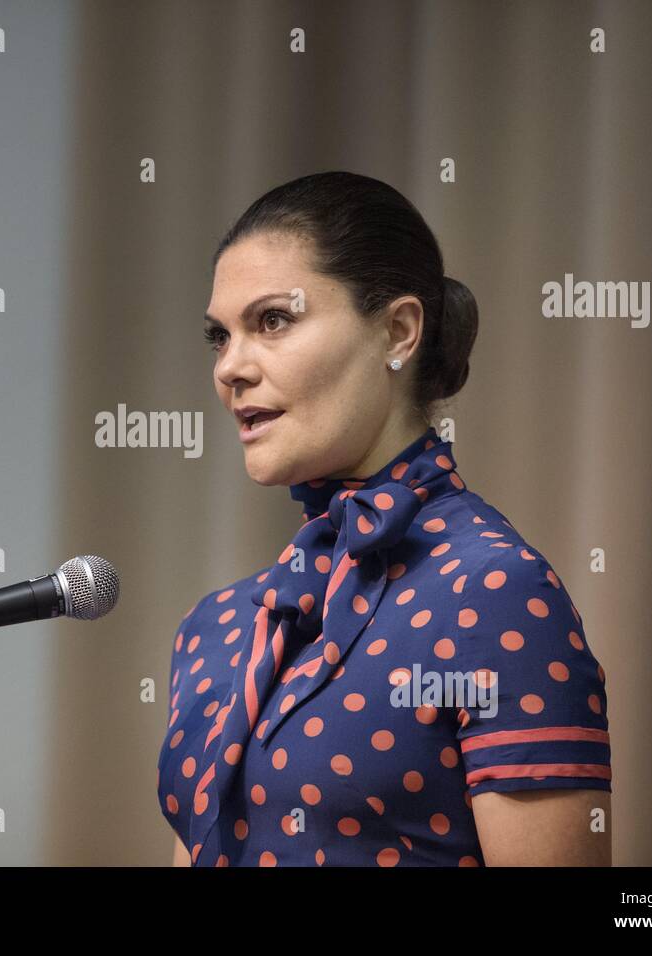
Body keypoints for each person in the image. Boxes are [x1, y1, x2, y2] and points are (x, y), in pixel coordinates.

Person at [156, 171, 612, 866]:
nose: (231, 368)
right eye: (220, 336)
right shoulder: (214, 627)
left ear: (398, 331)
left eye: (273, 320)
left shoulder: (492, 594)